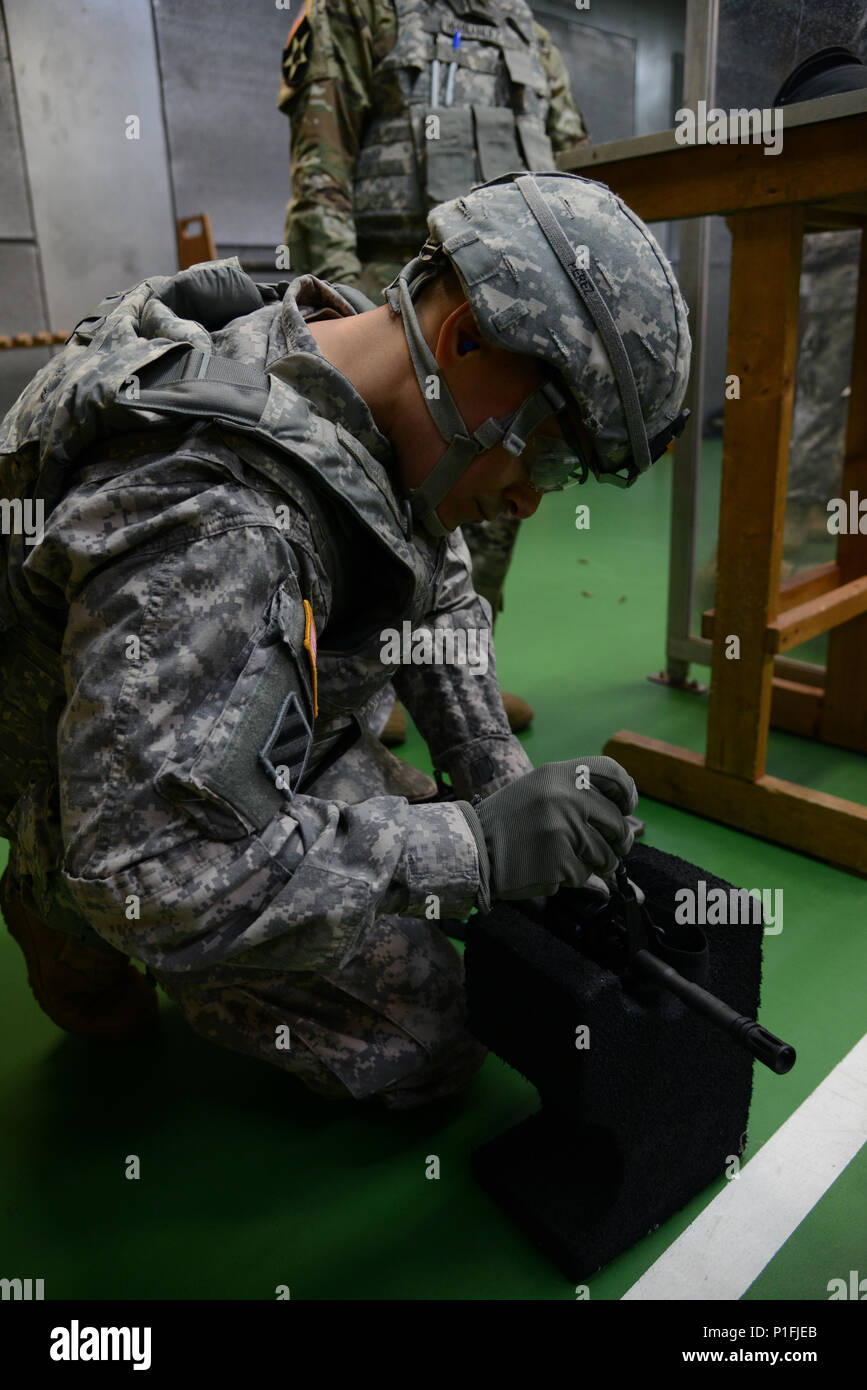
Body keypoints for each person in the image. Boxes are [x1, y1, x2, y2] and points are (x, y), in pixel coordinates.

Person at [0, 171, 690, 1110]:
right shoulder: (214, 525)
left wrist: (493, 775)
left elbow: (433, 584)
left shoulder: (354, 359)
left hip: (248, 725)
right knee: (424, 1042)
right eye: (554, 452)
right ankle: (53, 901)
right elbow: (154, 870)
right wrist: (476, 851)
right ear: (465, 339)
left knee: (465, 901)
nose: (534, 497)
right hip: (127, 818)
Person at [278, 0, 592, 738]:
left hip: (519, 321)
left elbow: (575, 175)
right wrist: (346, 316)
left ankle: (457, 668)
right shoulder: (360, 12)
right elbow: (321, 167)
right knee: (372, 503)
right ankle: (356, 684)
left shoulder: (528, 35)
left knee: (494, 497)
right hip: (400, 300)